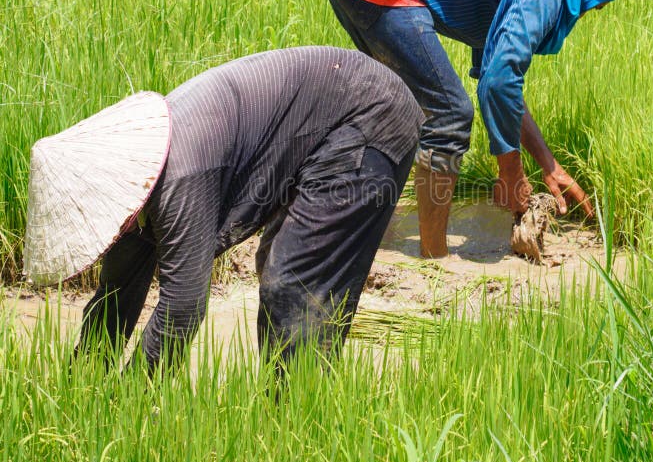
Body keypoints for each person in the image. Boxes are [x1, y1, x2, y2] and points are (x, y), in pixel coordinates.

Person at [23, 46, 423, 373]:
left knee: (292, 281)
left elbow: (183, 307)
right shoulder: (136, 180)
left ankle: (294, 421)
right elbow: (115, 293)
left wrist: (128, 401)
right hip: (329, 106)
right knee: (272, 262)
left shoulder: (179, 177)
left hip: (367, 115)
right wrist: (84, 384)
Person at [317, 0, 627, 258]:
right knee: (448, 114)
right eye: (594, 7)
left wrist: (549, 165)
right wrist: (510, 173)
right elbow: (499, 82)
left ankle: (341, 226)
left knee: (396, 104)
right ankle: (434, 263)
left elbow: (498, 85)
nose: (584, 15)